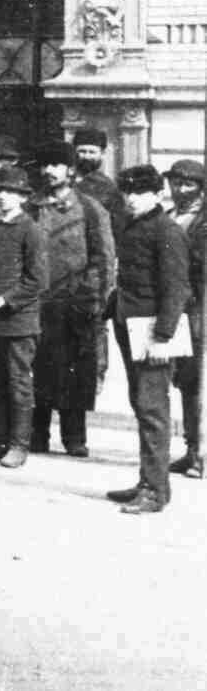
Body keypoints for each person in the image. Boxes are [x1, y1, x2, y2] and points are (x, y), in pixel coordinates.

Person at [108, 165, 192, 514]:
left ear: (158, 195)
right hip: (130, 326)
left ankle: (156, 490)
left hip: (152, 333)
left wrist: (163, 336)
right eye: (127, 192)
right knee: (143, 407)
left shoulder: (166, 230)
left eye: (139, 193)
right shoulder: (135, 226)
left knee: (153, 410)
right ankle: (147, 481)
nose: (131, 199)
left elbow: (176, 288)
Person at [30, 147, 117, 456]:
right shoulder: (31, 207)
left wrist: (91, 300)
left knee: (73, 373)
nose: (51, 170)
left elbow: (103, 259)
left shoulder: (90, 209)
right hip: (38, 303)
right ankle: (36, 434)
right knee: (38, 370)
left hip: (75, 304)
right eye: (46, 164)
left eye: (58, 164)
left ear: (70, 170)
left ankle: (74, 437)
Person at [0, 163, 47, 467]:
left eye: (9, 192)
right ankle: (1, 443)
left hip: (18, 321)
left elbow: (38, 281)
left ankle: (19, 445)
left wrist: (1, 301)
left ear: (22, 197)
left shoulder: (31, 230)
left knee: (18, 384)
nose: (2, 197)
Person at [168, 158, 207, 477]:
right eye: (175, 183)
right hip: (176, 307)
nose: (180, 189)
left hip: (199, 307)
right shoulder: (170, 217)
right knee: (184, 380)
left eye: (188, 184)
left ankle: (200, 454)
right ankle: (191, 448)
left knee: (198, 381)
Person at [71, 126, 124, 227]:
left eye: (92, 152)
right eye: (82, 151)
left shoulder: (108, 187)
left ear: (102, 154)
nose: (87, 156)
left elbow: (116, 224)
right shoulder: (64, 179)